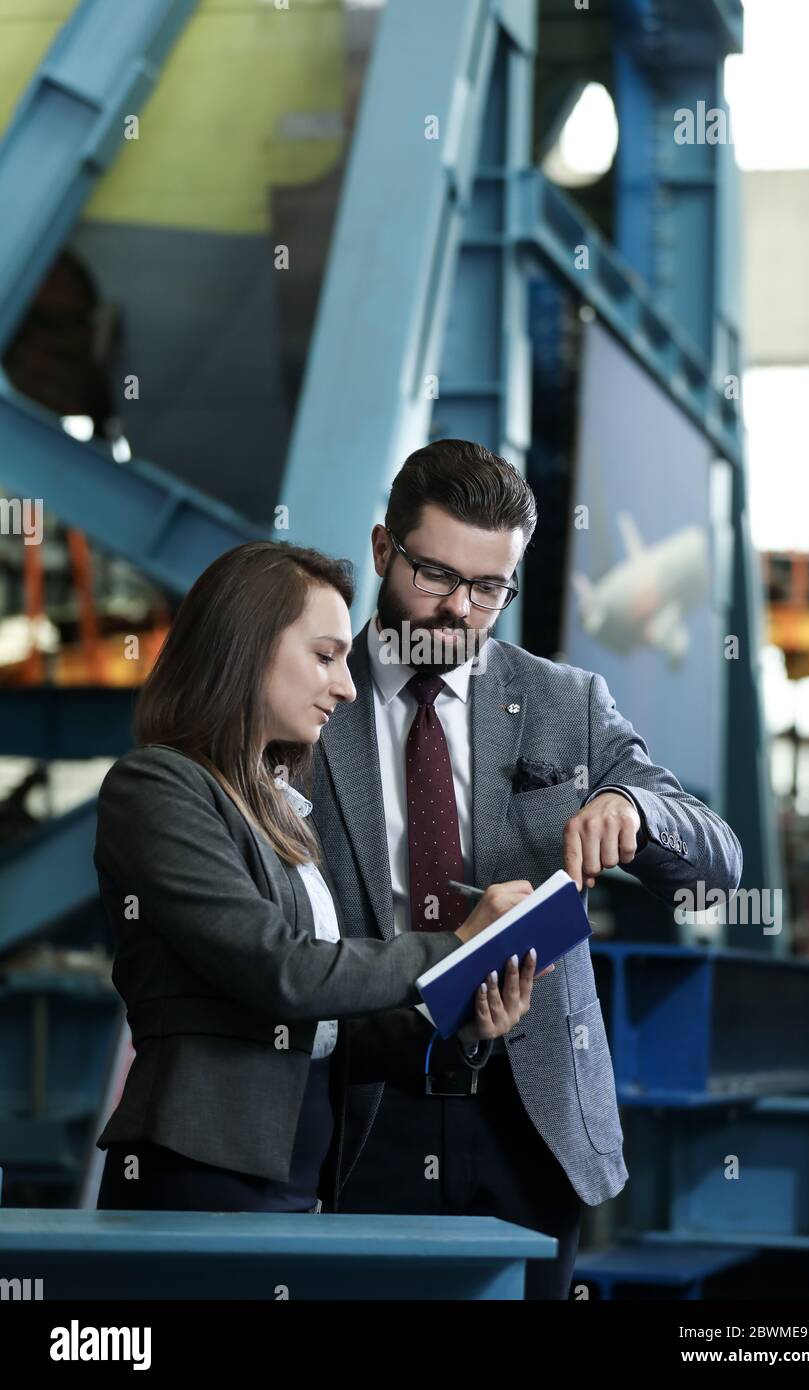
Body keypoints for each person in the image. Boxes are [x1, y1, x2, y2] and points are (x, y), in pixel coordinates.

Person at [311, 438, 745, 1299]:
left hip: (530, 1115)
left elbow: (718, 863)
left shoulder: (565, 703)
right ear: (380, 548)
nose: (458, 612)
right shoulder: (314, 693)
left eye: (489, 590)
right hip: (360, 1105)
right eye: (435, 577)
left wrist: (639, 809)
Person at [94, 541, 546, 1215]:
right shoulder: (157, 788)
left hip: (299, 1178)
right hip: (202, 1172)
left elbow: (325, 1033)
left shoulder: (281, 810)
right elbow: (283, 972)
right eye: (326, 655)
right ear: (245, 646)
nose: (346, 684)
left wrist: (458, 1019)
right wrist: (456, 943)